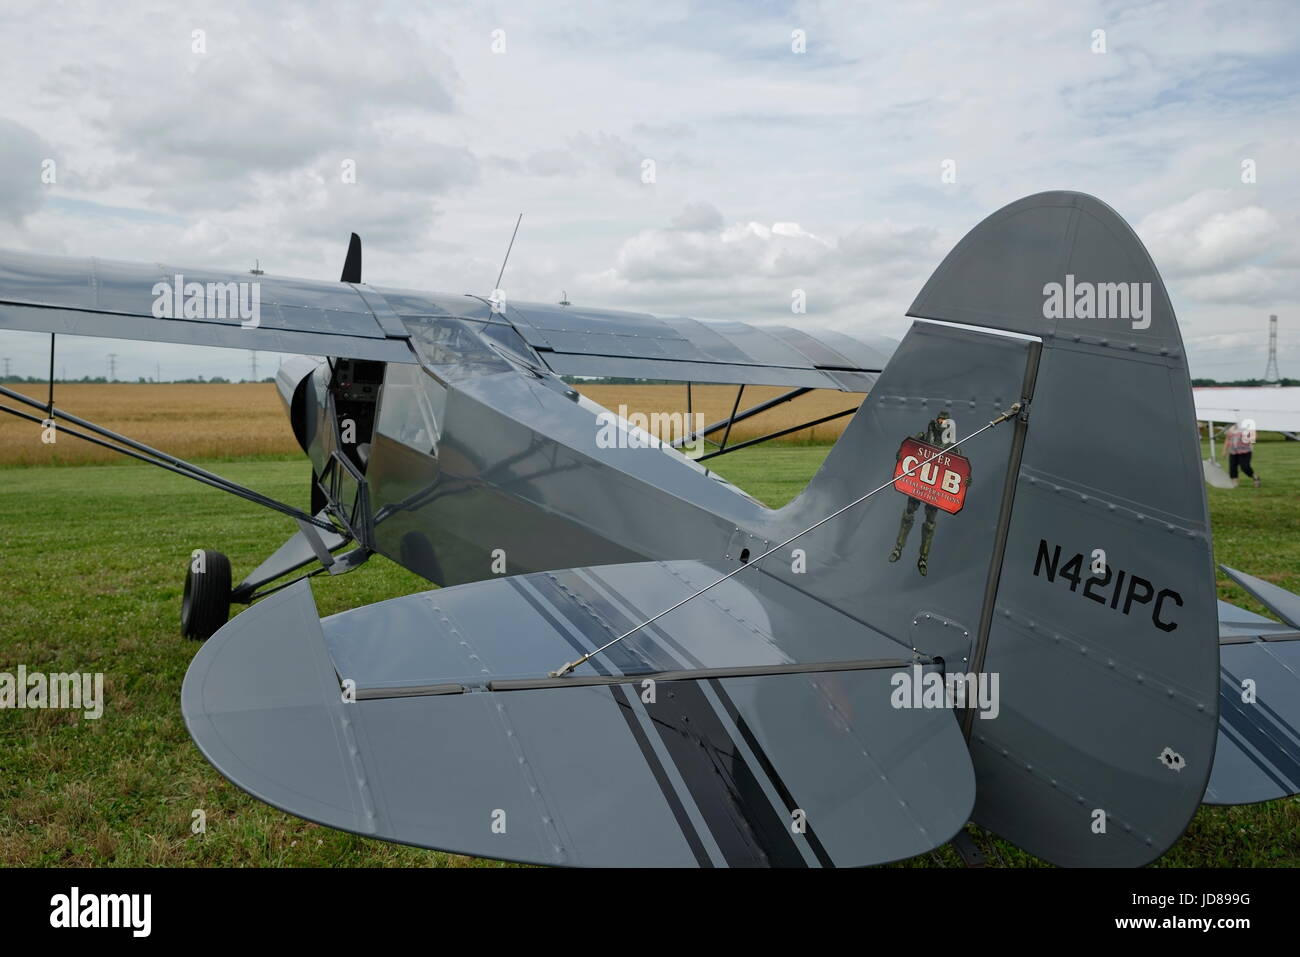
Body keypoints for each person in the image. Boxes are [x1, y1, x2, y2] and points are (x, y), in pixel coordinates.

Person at [1223, 418, 1260, 488]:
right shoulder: (1231, 429)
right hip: (1233, 452)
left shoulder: (1247, 427)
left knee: (1245, 466)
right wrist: (1225, 450)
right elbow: (1227, 439)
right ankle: (1234, 483)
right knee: (1232, 467)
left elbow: (1255, 437)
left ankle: (1255, 477)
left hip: (1245, 451)